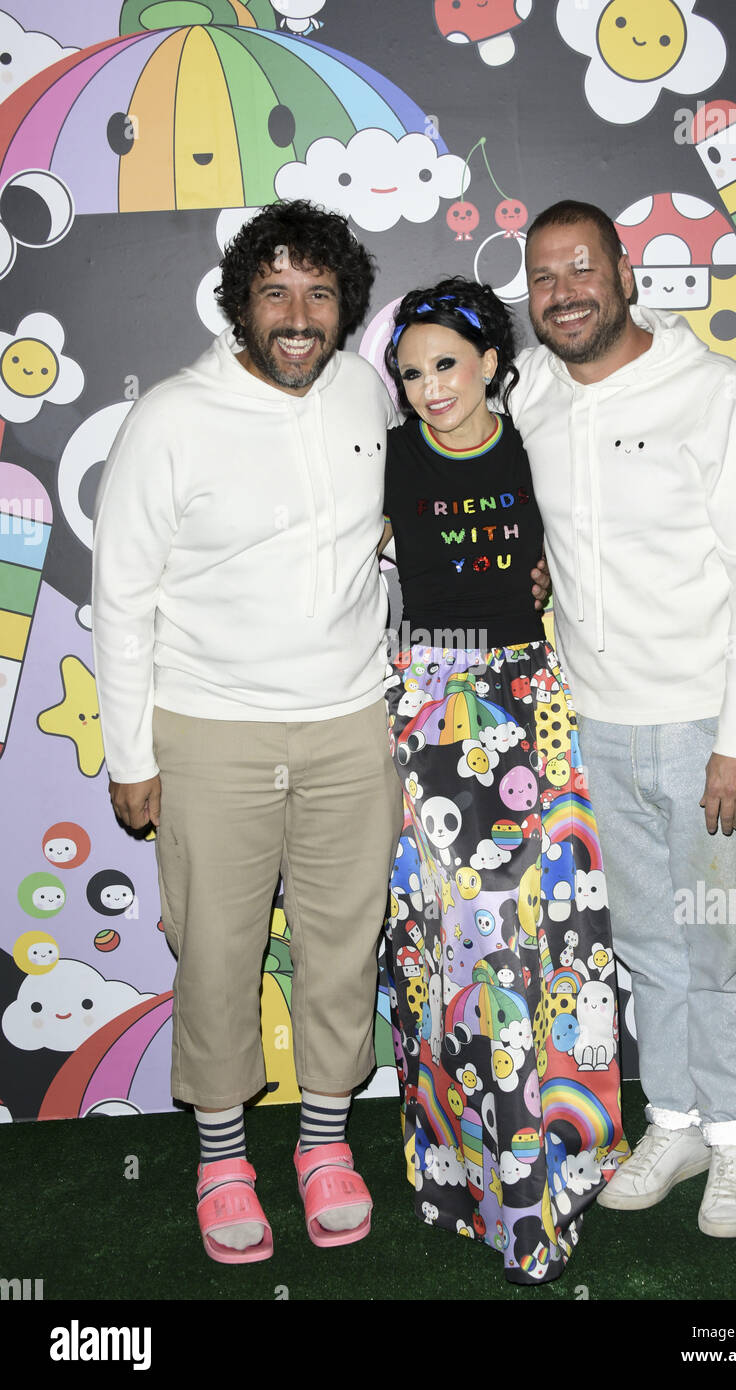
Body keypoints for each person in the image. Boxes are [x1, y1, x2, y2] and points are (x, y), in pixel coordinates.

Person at [92, 200, 409, 1262]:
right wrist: (131, 755)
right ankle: (222, 1159)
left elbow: (406, 518)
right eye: (274, 290)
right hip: (209, 731)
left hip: (348, 727)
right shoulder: (173, 416)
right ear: (240, 302)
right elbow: (122, 593)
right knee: (217, 955)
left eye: (318, 293)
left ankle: (325, 1144)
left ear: (342, 307)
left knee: (339, 949)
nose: (297, 314)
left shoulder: (369, 390)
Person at [509, 200, 736, 1238]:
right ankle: (670, 1122)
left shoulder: (707, 390)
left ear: (625, 276)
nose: (563, 290)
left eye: (581, 268)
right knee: (643, 946)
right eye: (543, 277)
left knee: (715, 941)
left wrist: (734, 737)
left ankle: (734, 1140)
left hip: (698, 727)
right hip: (591, 724)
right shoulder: (530, 391)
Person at [380, 277, 627, 1284]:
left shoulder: (543, 443)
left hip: (537, 699)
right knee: (451, 957)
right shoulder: (383, 458)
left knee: (548, 948)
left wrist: (556, 583)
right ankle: (460, 1174)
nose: (430, 387)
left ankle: (562, 1166)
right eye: (409, 373)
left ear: (488, 360)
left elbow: (600, 545)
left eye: (445, 363)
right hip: (430, 707)